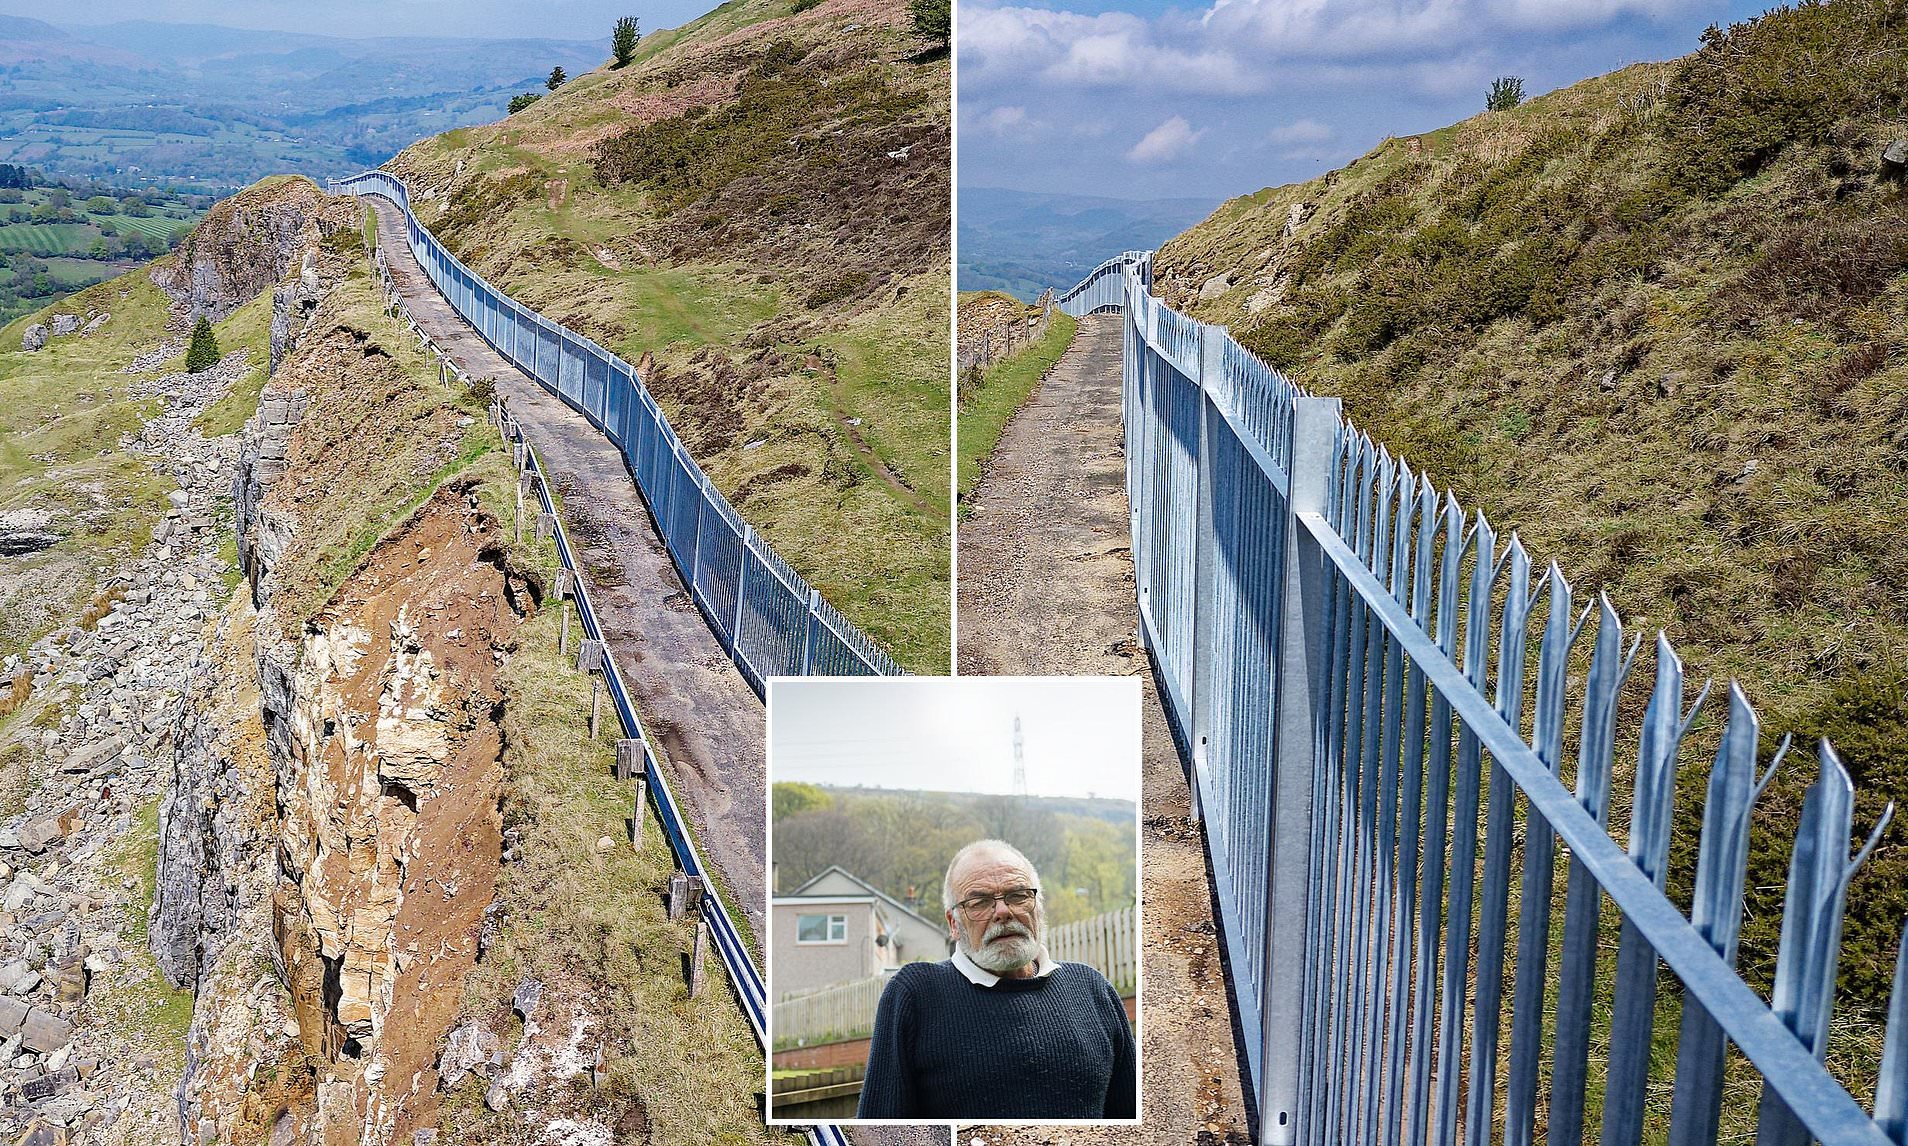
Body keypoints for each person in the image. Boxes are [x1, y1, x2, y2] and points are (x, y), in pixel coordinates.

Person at [856, 839, 1137, 1120]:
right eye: (980, 902)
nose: (1002, 912)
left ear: (1038, 907)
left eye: (1017, 895)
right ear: (954, 923)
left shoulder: (1090, 988)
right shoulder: (917, 994)